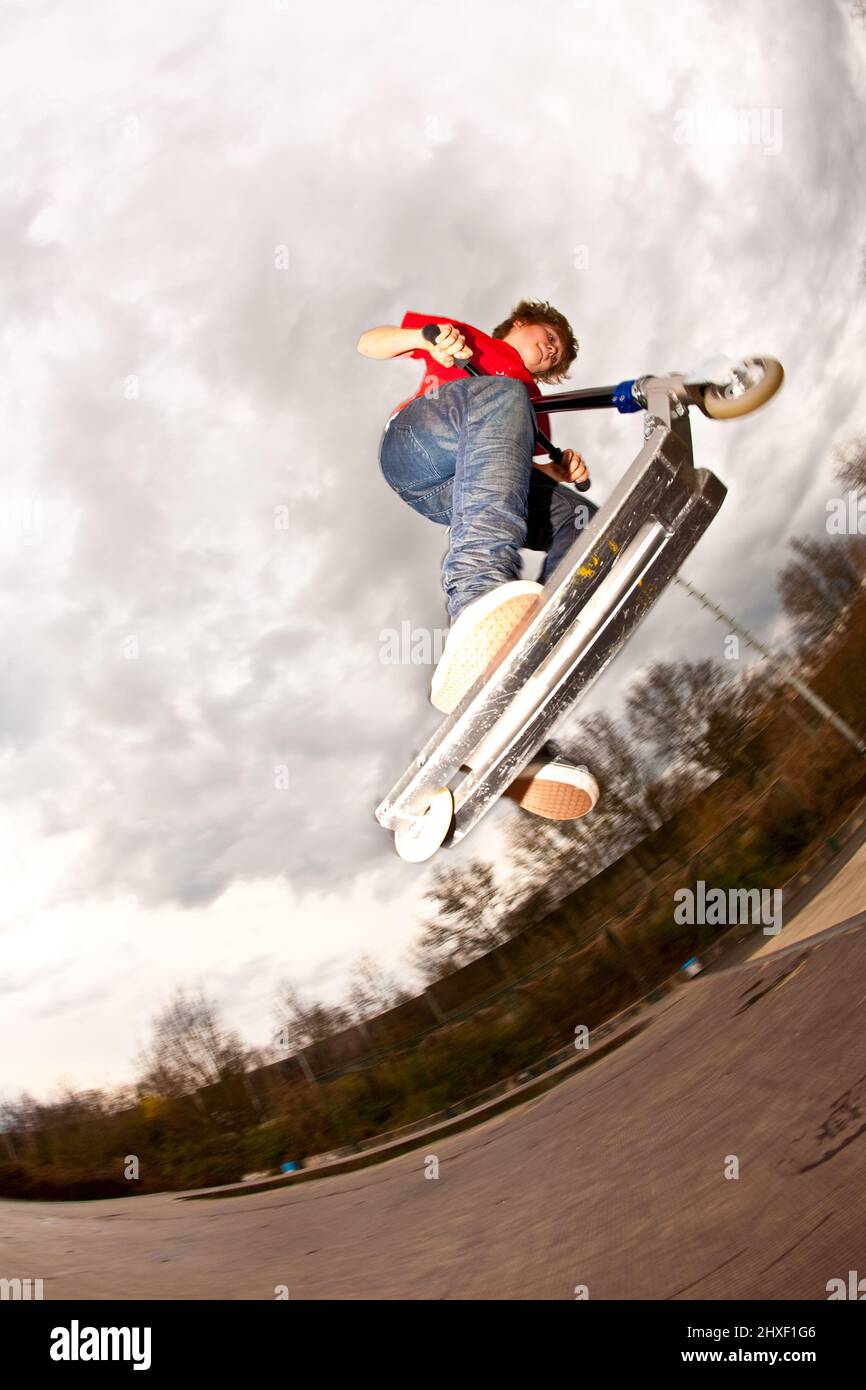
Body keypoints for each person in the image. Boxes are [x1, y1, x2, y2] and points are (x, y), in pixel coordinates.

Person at [357, 300, 598, 820]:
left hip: (463, 485)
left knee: (582, 521)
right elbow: (370, 342)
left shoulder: (535, 412)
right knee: (503, 393)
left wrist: (562, 472)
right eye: (547, 336)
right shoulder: (474, 344)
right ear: (518, 324)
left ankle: (520, 690)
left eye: (554, 355)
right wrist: (427, 338)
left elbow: (503, 479)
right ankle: (475, 600)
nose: (549, 350)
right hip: (416, 446)